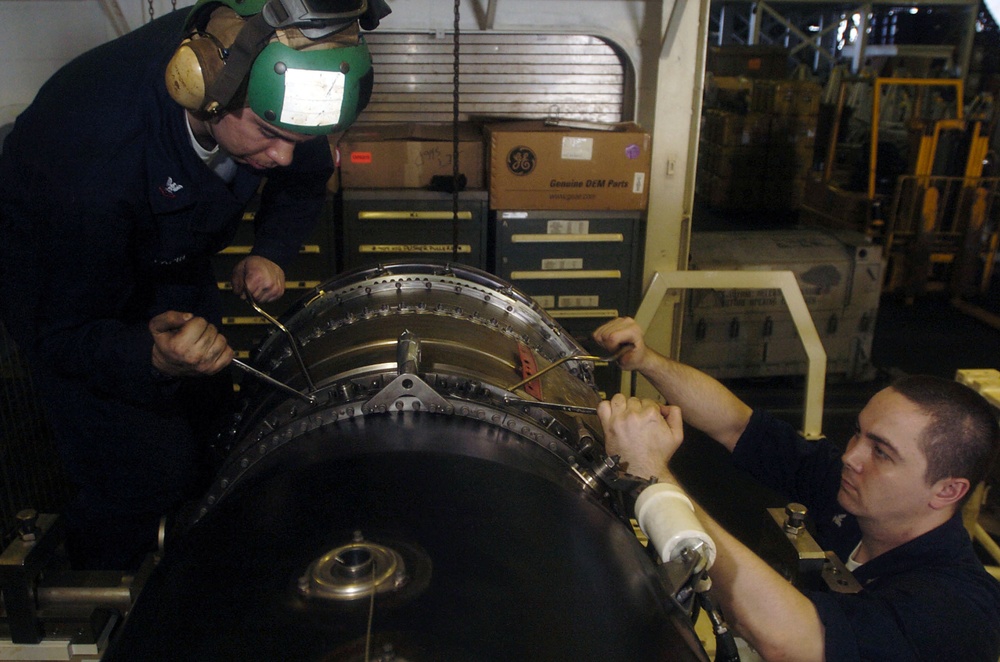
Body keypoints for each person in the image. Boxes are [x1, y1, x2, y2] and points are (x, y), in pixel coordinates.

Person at [0, 0, 389, 571]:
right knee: (140, 478)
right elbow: (58, 330)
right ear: (200, 86)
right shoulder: (89, 154)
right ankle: (110, 591)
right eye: (268, 134)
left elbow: (303, 177)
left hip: (172, 259)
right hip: (70, 289)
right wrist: (148, 355)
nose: (284, 156)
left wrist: (271, 249)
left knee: (214, 436)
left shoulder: (270, 74)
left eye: (299, 137)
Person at [593, 316, 1000, 662]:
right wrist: (647, 360)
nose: (851, 456)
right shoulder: (855, 493)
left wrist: (655, 478)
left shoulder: (957, 608)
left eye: (882, 452)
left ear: (947, 491)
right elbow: (737, 424)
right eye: (858, 433)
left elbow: (794, 641)